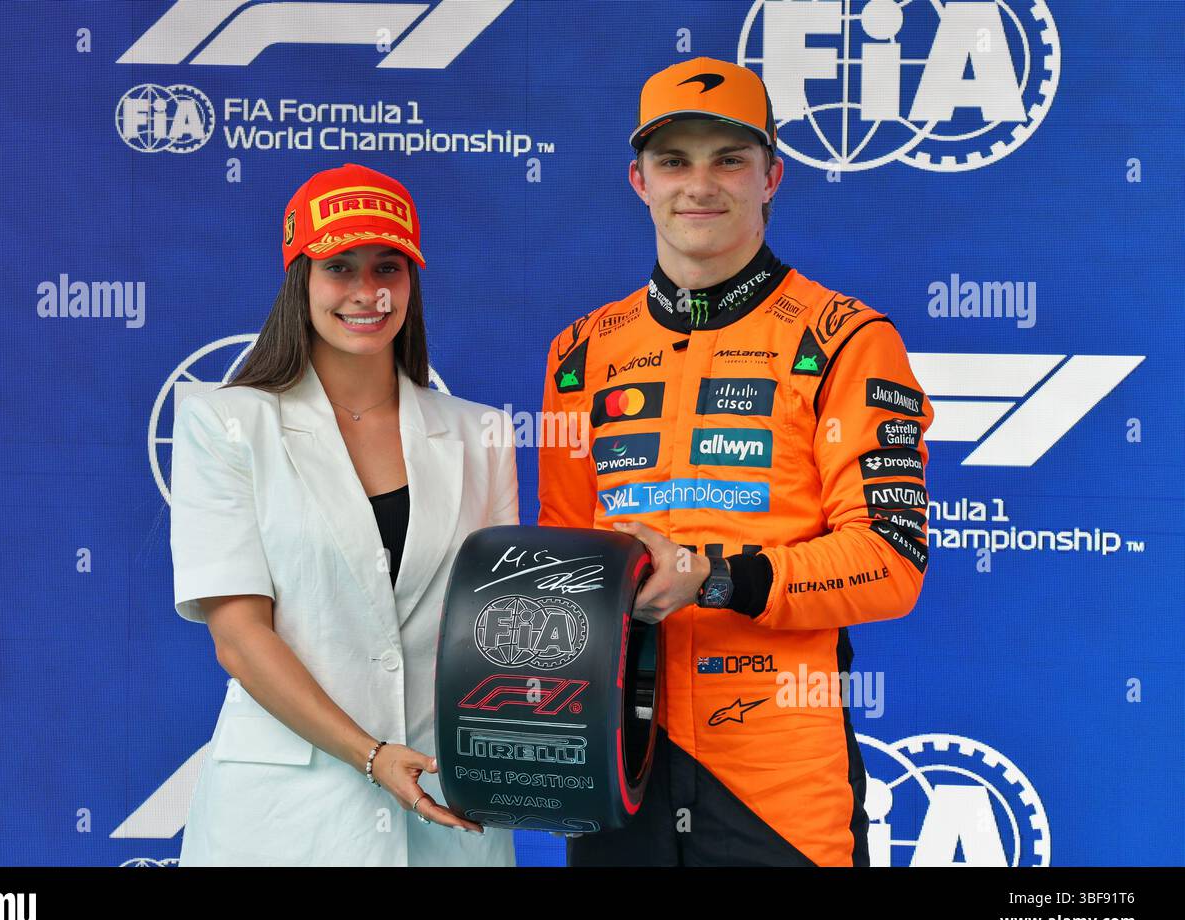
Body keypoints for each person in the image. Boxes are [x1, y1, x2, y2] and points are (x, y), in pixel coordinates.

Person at [538, 58, 934, 866]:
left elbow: (890, 562)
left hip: (778, 785)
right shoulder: (579, 354)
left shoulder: (847, 339)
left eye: (729, 159)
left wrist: (714, 578)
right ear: (639, 180)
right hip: (618, 769)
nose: (699, 185)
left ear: (771, 176)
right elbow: (563, 554)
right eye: (673, 161)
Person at [170, 163, 517, 866]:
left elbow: (495, 633)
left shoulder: (482, 433)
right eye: (339, 268)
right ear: (300, 278)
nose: (367, 291)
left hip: (446, 807)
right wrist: (372, 754)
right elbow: (240, 638)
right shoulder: (225, 422)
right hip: (284, 819)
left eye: (388, 266)